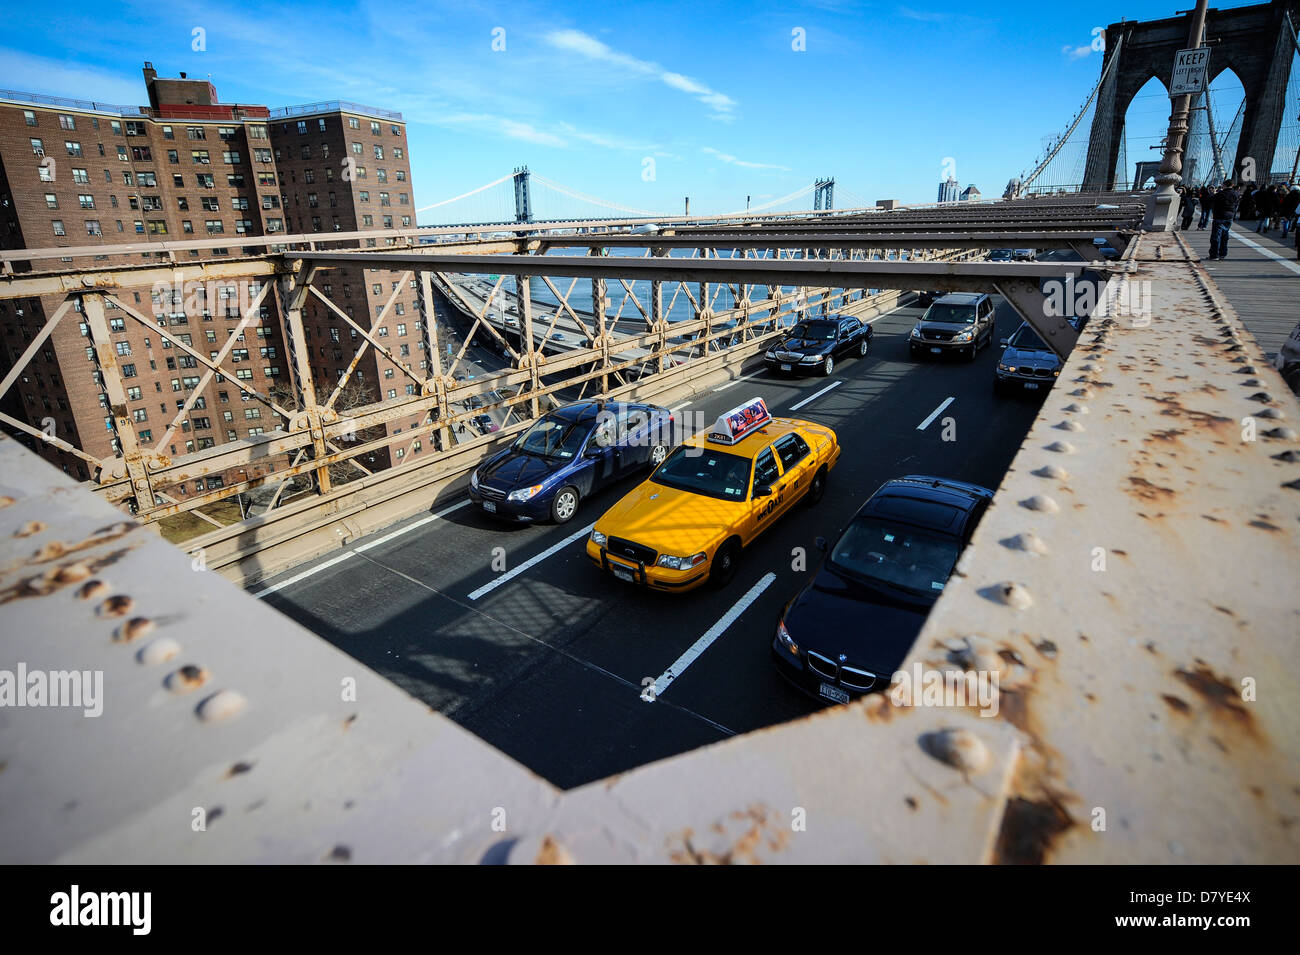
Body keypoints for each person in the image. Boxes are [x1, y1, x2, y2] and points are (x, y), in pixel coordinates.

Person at [1207, 179, 1240, 261]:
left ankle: (1214, 255)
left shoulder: (1221, 194)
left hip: (1219, 216)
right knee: (1225, 236)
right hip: (1229, 217)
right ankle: (1222, 253)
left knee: (1216, 236)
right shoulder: (1235, 194)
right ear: (1232, 185)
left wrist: (1213, 192)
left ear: (1224, 185)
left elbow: (1209, 199)